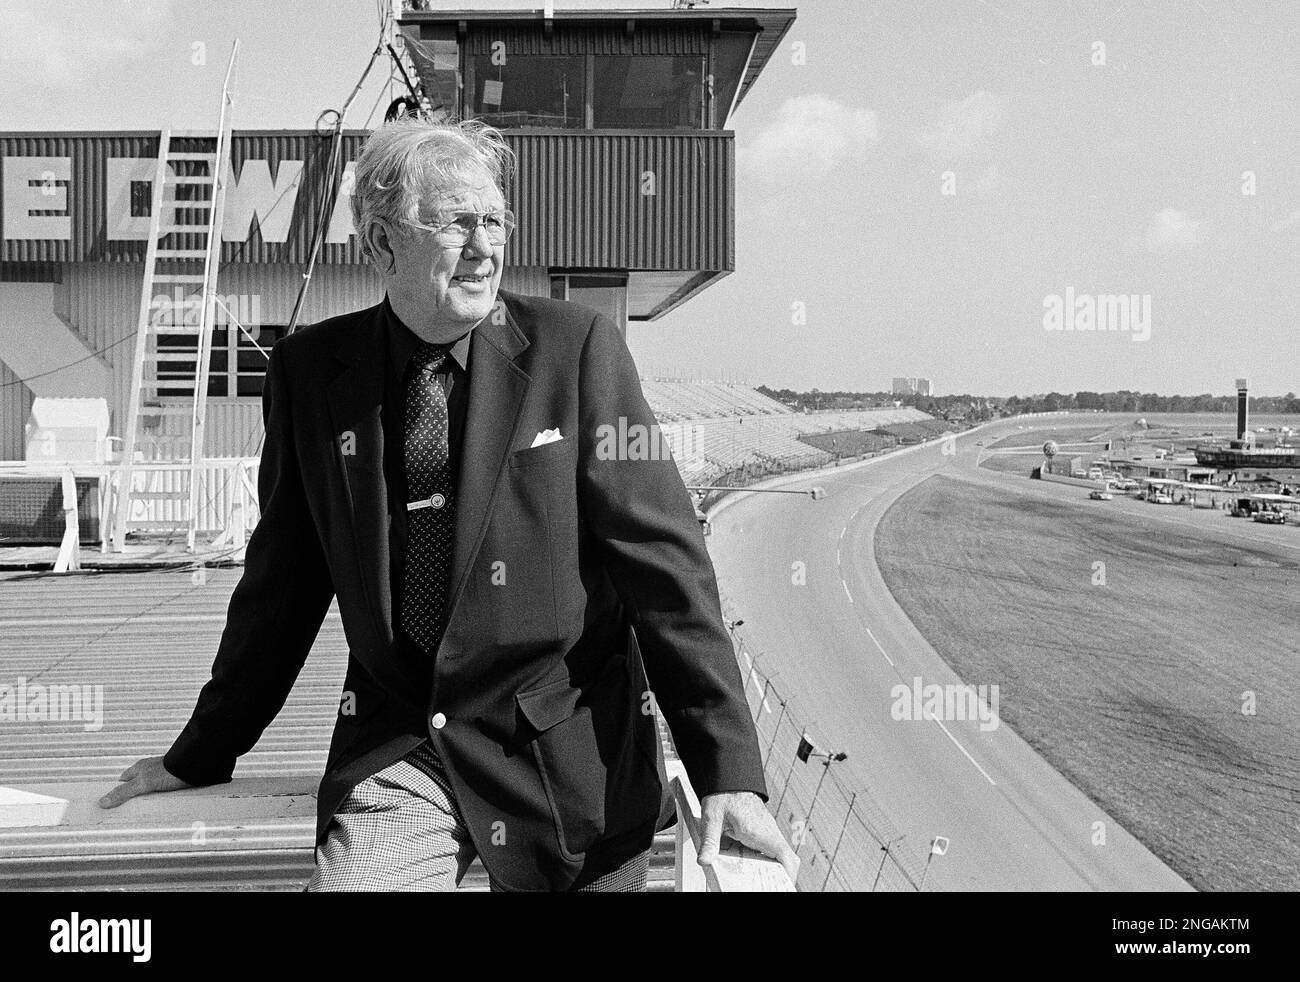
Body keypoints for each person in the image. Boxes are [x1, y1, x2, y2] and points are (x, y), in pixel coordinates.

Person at [99, 116, 796, 892]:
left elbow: (664, 569)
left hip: (571, 763)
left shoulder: (577, 350)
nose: (485, 245)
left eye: (494, 219)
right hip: (407, 747)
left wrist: (729, 770)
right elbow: (281, 590)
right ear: (381, 243)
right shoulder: (311, 374)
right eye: (458, 221)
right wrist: (200, 752)